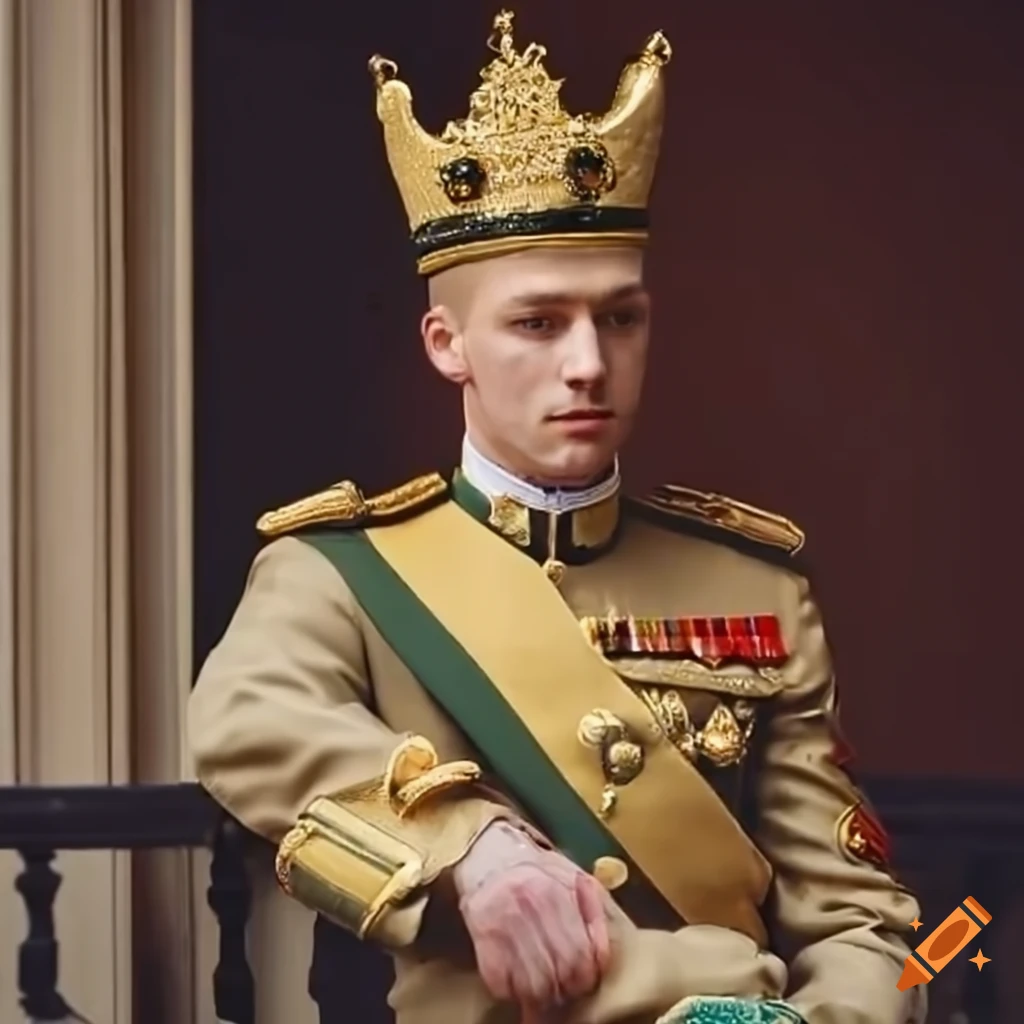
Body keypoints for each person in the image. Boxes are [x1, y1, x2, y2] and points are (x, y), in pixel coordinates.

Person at [188, 10, 926, 1024]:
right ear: (447, 344)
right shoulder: (338, 574)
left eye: (617, 318)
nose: (587, 362)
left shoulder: (757, 587)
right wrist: (473, 844)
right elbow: (244, 724)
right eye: (537, 323)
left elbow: (858, 919)